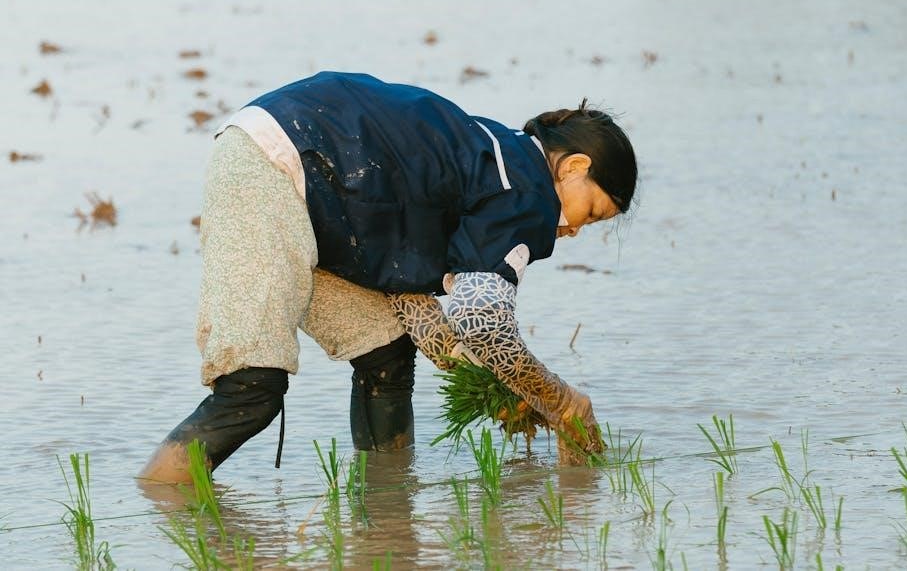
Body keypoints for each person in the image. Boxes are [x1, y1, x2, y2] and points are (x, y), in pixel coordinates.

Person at [138, 71, 637, 483]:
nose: (573, 228)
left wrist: (492, 384)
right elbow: (482, 318)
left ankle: (387, 517)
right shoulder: (525, 192)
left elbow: (415, 306)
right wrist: (559, 401)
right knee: (251, 387)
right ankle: (157, 501)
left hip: (305, 183)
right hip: (280, 167)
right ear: (573, 166)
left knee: (388, 354)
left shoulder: (487, 164)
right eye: (590, 212)